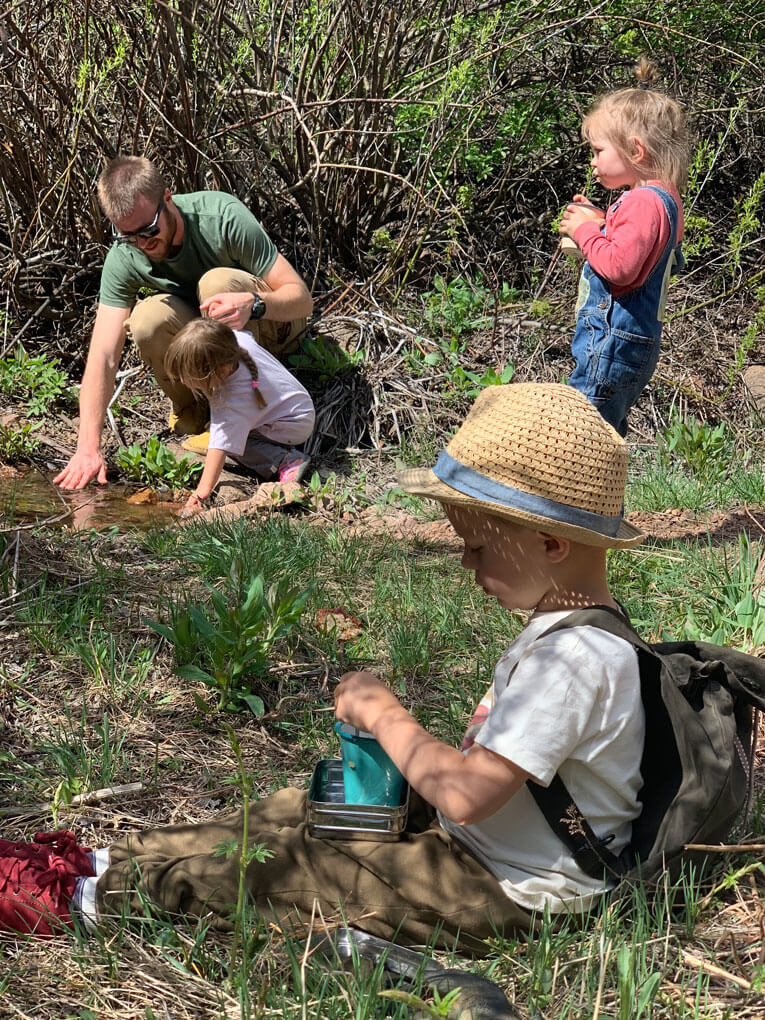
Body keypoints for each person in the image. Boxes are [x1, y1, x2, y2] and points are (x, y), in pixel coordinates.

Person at [1, 384, 646, 948]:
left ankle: (83, 897)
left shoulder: (573, 658)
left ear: (552, 545)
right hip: (482, 845)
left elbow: (466, 794)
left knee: (300, 870)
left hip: (510, 887)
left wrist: (387, 715)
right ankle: (95, 860)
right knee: (293, 812)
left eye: (477, 549)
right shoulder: (561, 632)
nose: (467, 566)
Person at [54, 156, 314, 491]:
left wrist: (254, 304)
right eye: (128, 236)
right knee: (147, 320)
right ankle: (198, 414)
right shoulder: (125, 256)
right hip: (215, 343)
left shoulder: (221, 217)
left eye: (149, 231)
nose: (143, 245)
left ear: (167, 198)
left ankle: (247, 414)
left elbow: (301, 298)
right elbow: (103, 355)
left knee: (216, 285)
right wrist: (87, 447)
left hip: (269, 329)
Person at [558, 59, 689, 436]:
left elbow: (620, 268)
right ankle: (598, 493)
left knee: (580, 433)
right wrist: (602, 221)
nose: (593, 162)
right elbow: (640, 251)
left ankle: (569, 494)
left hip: (612, 343)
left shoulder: (642, 202)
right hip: (633, 345)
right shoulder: (663, 199)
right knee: (603, 431)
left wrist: (585, 233)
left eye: (598, 151)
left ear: (635, 150)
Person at [163, 318, 315, 518]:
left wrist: (200, 495)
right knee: (227, 435)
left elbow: (220, 445)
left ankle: (285, 460)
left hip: (291, 425)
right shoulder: (234, 342)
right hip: (296, 406)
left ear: (216, 370)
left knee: (235, 445)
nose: (183, 380)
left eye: (188, 375)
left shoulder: (233, 400)